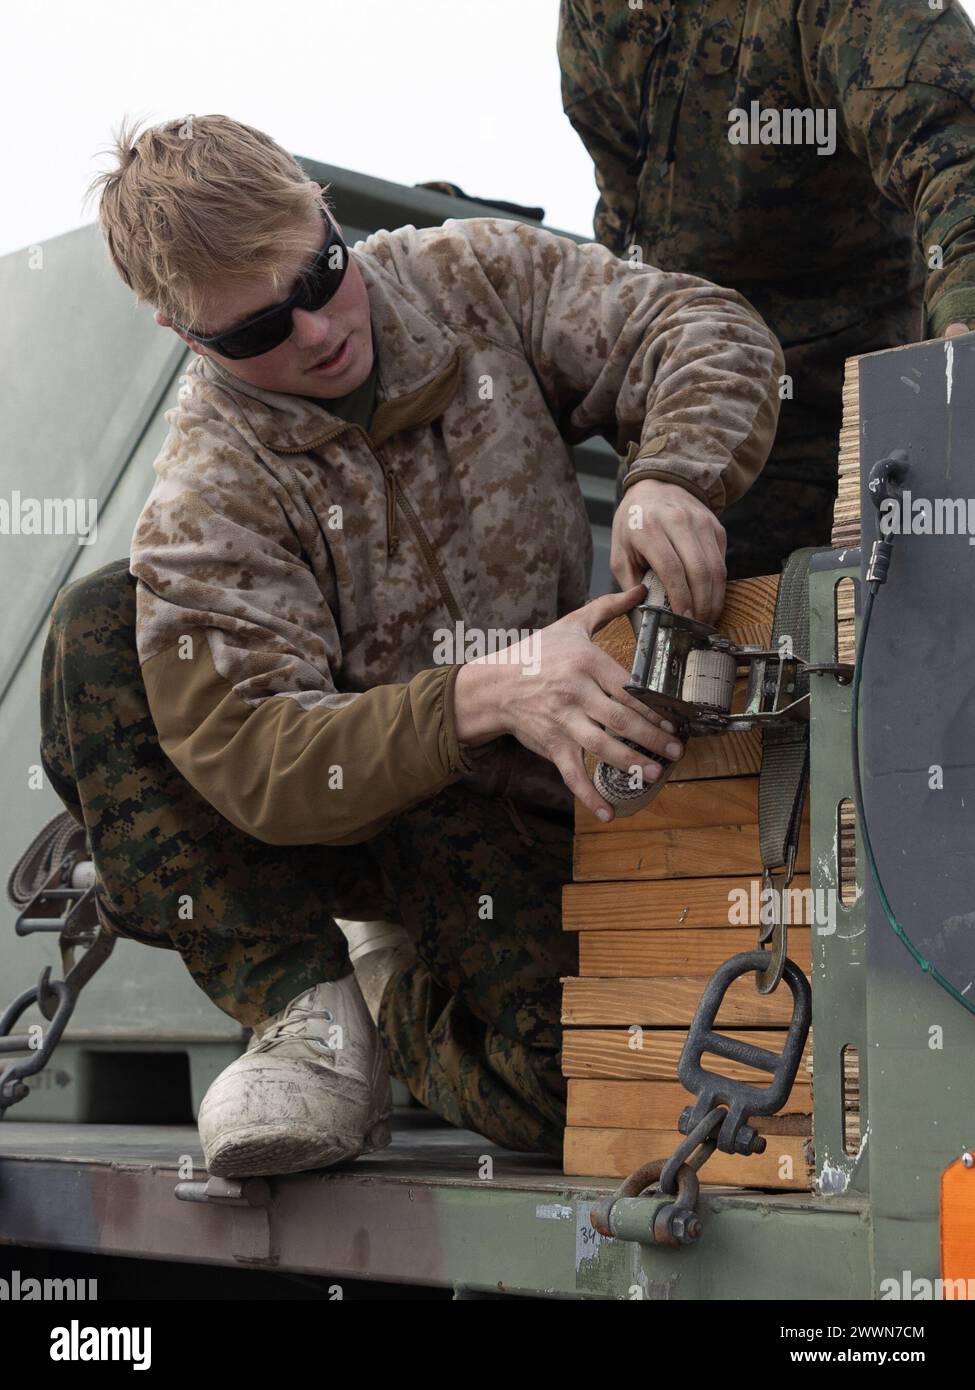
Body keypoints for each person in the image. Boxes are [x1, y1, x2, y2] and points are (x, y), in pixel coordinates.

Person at [74, 112, 782, 1177]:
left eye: (319, 276)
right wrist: (477, 697)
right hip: (365, 810)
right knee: (99, 635)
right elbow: (253, 750)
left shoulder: (470, 278)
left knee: (600, 1082)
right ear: (185, 333)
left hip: (531, 795)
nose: (315, 330)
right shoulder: (209, 486)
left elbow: (699, 328)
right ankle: (318, 999)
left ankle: (397, 983)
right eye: (259, 331)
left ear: (323, 213)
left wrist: (674, 469)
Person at [558, 0, 975, 578]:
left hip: (841, 433)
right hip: (683, 426)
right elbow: (622, 197)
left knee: (850, 639)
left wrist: (963, 338)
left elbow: (954, 152)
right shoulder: (596, 13)